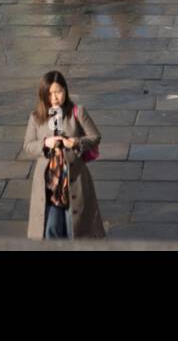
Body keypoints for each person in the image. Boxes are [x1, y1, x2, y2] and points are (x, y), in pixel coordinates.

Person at [23, 71, 104, 240]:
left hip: (74, 179)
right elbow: (28, 145)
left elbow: (95, 137)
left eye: (58, 91)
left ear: (65, 91)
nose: (54, 97)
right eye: (49, 93)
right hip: (50, 182)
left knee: (74, 227)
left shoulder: (77, 111)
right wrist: (45, 143)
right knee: (51, 227)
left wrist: (75, 142)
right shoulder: (36, 117)